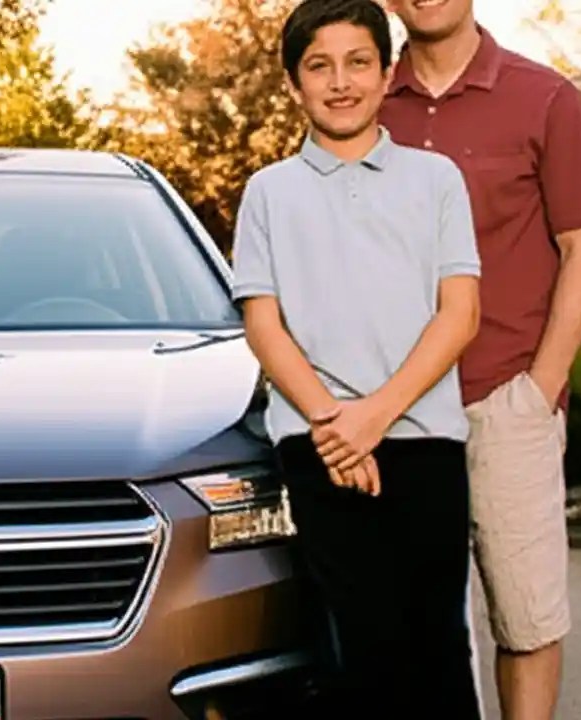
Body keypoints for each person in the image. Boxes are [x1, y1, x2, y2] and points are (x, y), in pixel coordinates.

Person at [231, 0, 484, 716]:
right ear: (293, 83)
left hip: (423, 439)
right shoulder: (269, 193)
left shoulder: (435, 182)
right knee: (361, 648)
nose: (340, 82)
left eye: (357, 62)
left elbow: (459, 314)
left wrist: (374, 416)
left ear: (387, 71)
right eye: (319, 66)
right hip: (320, 445)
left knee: (438, 643)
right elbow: (264, 324)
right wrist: (333, 426)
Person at [380, 3, 581, 718]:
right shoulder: (365, 102)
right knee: (415, 629)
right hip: (397, 415)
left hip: (504, 401)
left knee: (526, 620)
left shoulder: (545, 97)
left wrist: (540, 386)